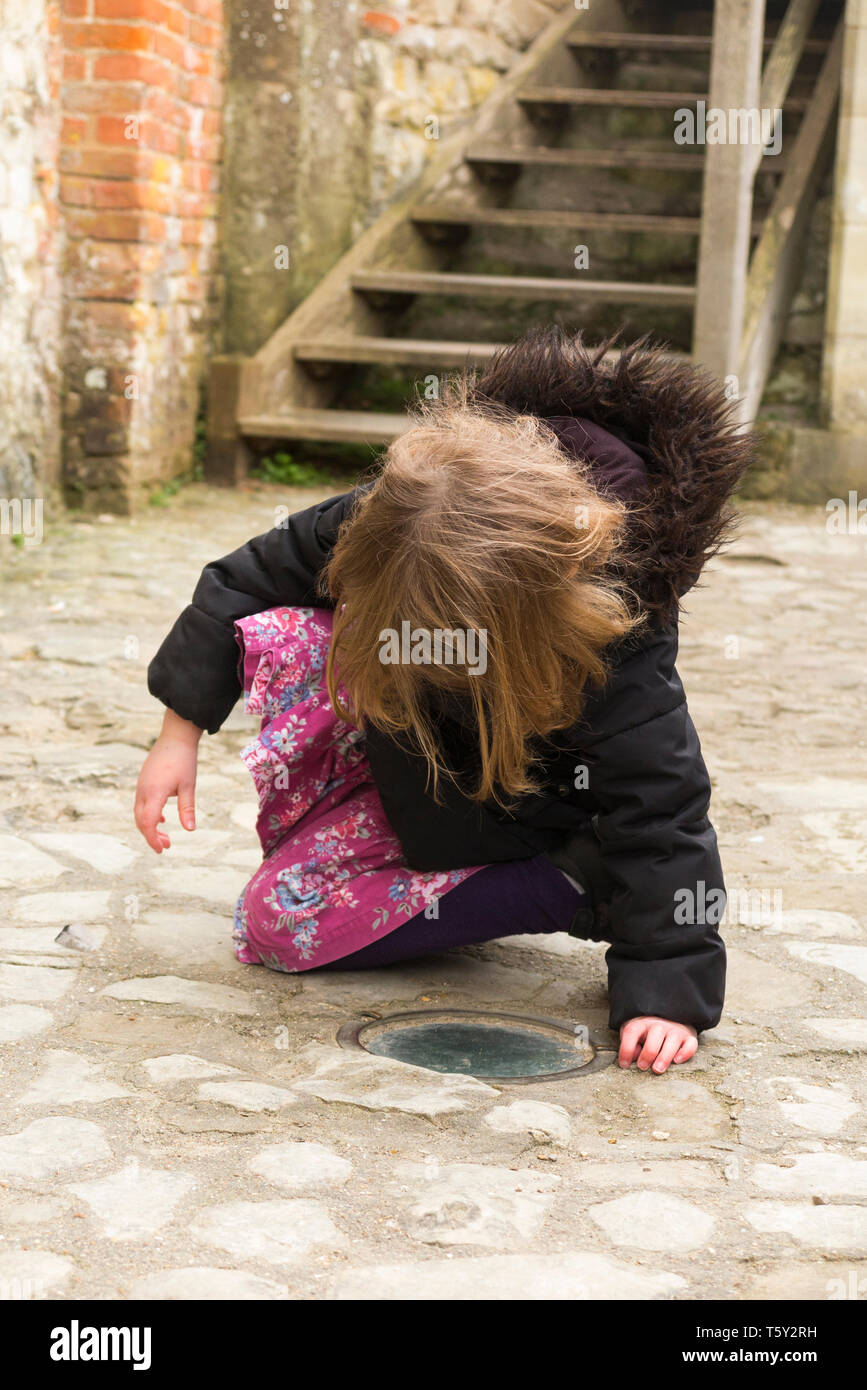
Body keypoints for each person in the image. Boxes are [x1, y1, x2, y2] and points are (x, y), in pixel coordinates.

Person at [135, 327, 753, 1075]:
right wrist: (179, 731)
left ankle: (570, 885)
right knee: (289, 630)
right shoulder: (413, 511)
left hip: (511, 801)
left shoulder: (615, 630)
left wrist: (667, 987)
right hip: (410, 750)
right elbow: (243, 579)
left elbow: (661, 807)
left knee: (279, 923)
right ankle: (350, 804)